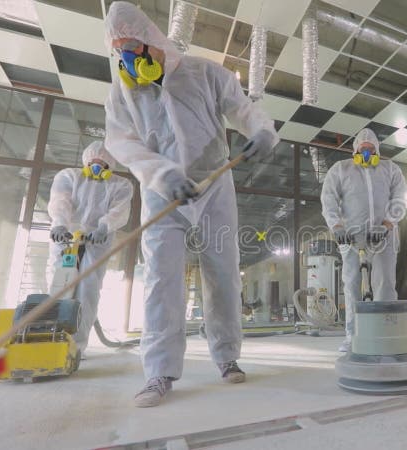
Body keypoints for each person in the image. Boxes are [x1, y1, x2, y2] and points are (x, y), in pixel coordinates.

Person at [103, 1, 279, 408]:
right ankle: (158, 371)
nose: (127, 62)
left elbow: (244, 108)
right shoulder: (123, 91)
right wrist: (162, 174)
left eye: (132, 50)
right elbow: (120, 141)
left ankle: (227, 356)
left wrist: (263, 130)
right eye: (119, 54)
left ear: (152, 42)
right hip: (161, 190)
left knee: (222, 272)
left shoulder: (205, 73)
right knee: (162, 280)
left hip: (215, 182)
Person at [320, 128, 407, 352]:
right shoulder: (341, 169)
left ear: (377, 150)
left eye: (371, 149)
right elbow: (328, 198)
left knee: (385, 283)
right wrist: (337, 226)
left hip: (383, 235)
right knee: (351, 285)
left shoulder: (390, 169)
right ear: (355, 150)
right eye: (362, 149)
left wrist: (387, 224)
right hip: (351, 237)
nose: (366, 153)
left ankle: (384, 333)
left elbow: (399, 199)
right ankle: (352, 335)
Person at [47, 141, 134, 358]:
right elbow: (61, 200)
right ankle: (51, 338)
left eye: (103, 164)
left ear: (110, 165)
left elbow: (119, 210)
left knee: (88, 289)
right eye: (94, 162)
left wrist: (105, 226)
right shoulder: (69, 176)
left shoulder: (121, 184)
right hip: (66, 238)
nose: (97, 167)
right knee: (61, 285)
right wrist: (59, 223)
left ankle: (76, 346)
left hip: (97, 241)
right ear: (86, 160)